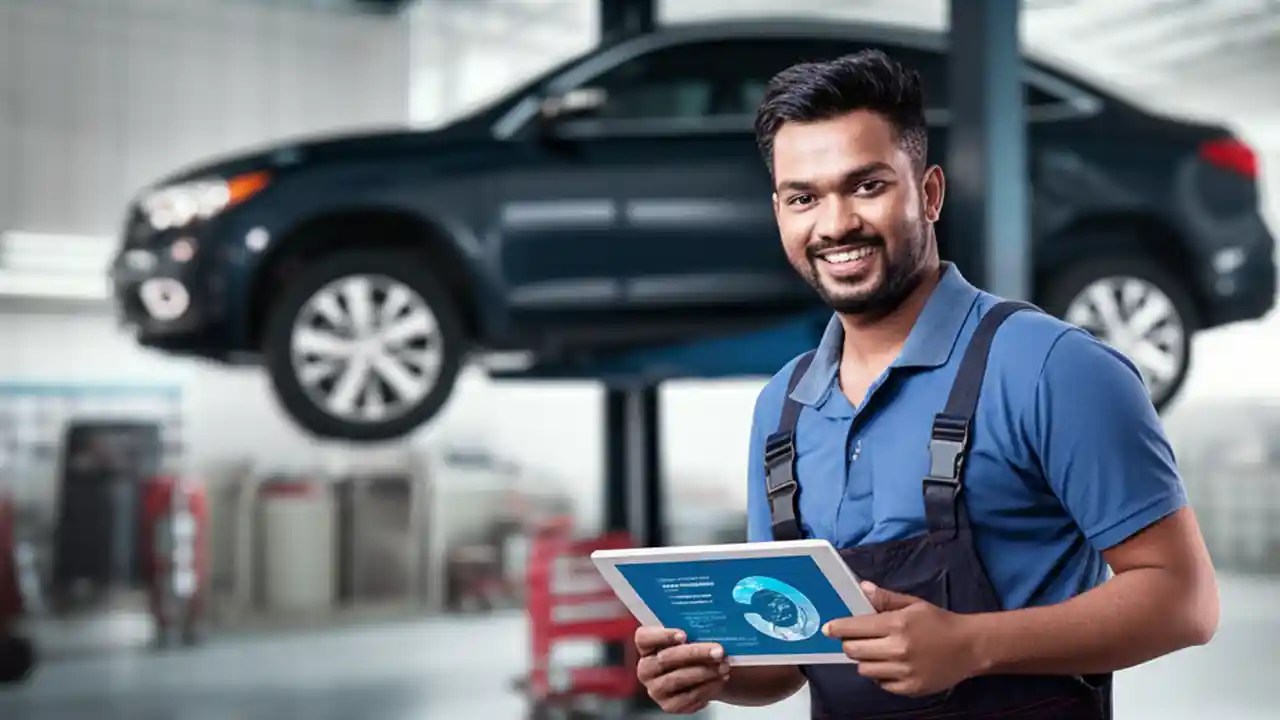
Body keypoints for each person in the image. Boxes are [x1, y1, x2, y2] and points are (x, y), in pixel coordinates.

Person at [633, 49, 1219, 718]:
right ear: (780, 211)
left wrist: (973, 644)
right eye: (805, 198)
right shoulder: (782, 410)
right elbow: (793, 655)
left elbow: (1185, 600)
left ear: (930, 193)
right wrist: (712, 670)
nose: (835, 224)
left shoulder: (1053, 368)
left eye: (867, 185)